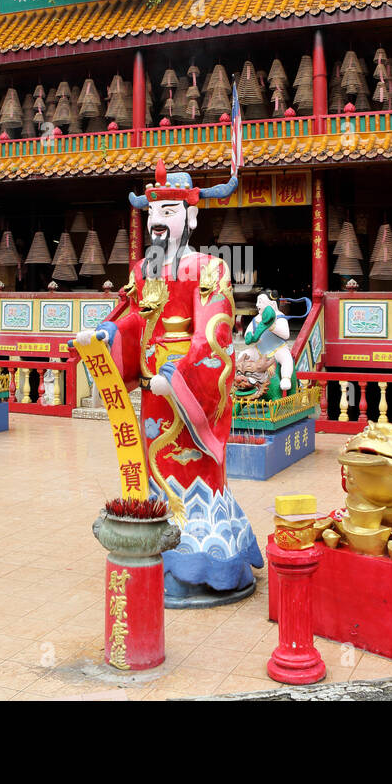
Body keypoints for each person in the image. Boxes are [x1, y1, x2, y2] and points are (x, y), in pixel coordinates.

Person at [75, 160, 263, 604]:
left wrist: (179, 375)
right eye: (153, 213)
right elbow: (130, 321)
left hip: (187, 390)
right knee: (156, 472)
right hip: (154, 396)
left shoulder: (210, 268)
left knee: (194, 472)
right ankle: (157, 551)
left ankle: (204, 563)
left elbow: (214, 331)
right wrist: (103, 336)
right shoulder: (142, 271)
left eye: (170, 212)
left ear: (191, 218)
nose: (158, 221)